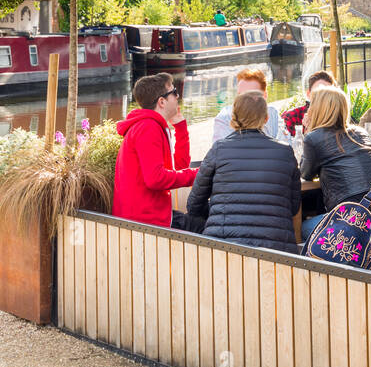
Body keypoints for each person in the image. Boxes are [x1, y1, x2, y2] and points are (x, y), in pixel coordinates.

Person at [187, 92, 301, 253]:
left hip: (223, 245)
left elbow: (193, 205)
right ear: (266, 118)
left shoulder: (219, 150)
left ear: (233, 118)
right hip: (276, 248)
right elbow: (294, 206)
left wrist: (218, 213)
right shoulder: (285, 152)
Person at [112, 73, 197, 228]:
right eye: (174, 92)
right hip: (145, 223)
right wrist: (199, 173)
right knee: (208, 228)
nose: (178, 97)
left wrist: (181, 129)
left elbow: (178, 168)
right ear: (162, 101)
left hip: (152, 217)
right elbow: (156, 179)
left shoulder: (152, 125)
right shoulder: (148, 128)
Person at [299, 85, 371, 238]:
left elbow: (305, 173)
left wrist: (308, 130)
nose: (307, 109)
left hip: (349, 222)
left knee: (300, 229)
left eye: (310, 105)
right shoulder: (360, 132)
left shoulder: (314, 138)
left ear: (317, 109)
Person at [211, 68, 286, 144]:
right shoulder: (225, 117)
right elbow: (221, 150)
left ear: (265, 95)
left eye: (251, 96)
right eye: (241, 96)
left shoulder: (273, 114)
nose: (245, 101)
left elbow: (284, 144)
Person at [281, 69, 334, 137]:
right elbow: (290, 146)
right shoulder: (291, 117)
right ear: (308, 94)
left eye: (328, 93)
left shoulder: (337, 118)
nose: (323, 97)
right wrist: (308, 130)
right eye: (318, 93)